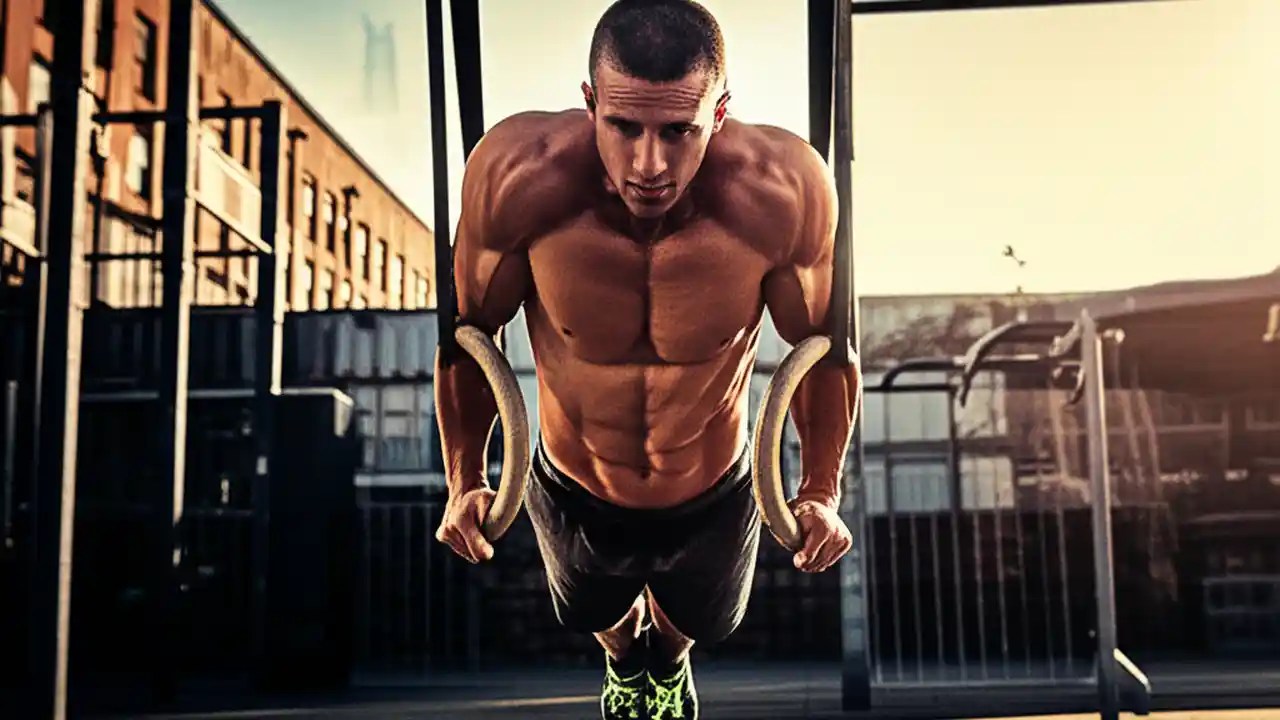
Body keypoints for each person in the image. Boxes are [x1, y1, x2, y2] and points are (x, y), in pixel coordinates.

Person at [434, 1, 862, 718]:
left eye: (678, 131)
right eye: (624, 127)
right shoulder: (518, 177)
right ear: (590, 101)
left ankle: (665, 660)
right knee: (598, 617)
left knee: (687, 630)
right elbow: (468, 336)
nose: (649, 164)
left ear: (719, 113)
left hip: (714, 486)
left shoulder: (782, 192)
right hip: (575, 480)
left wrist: (820, 490)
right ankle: (623, 655)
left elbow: (823, 351)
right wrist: (465, 478)